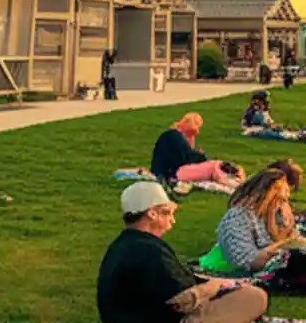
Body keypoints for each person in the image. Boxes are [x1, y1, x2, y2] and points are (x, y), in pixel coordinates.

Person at [97, 181, 267, 323]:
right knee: (254, 297)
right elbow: (183, 300)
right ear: (152, 214)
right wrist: (214, 286)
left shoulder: (124, 245)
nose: (172, 220)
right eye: (168, 213)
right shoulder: (149, 250)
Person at [151, 112, 246, 185]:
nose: (198, 131)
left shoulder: (174, 135)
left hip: (173, 171)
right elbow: (186, 158)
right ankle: (233, 182)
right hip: (172, 173)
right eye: (197, 126)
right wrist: (200, 156)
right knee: (213, 166)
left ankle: (233, 177)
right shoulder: (175, 136)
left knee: (215, 164)